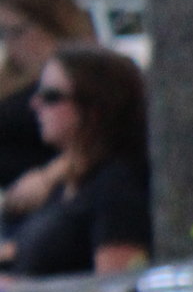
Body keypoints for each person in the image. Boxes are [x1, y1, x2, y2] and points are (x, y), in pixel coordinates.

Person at [2, 45, 150, 277]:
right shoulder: (69, 182)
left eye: (51, 96)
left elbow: (116, 284)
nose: (35, 104)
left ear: (95, 108)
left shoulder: (116, 187)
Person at [0, 0, 96, 202]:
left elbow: (110, 135)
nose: (8, 43)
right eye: (2, 33)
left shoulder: (85, 73)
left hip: (63, 203)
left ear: (51, 24)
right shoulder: (12, 77)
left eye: (16, 32)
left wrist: (49, 177)